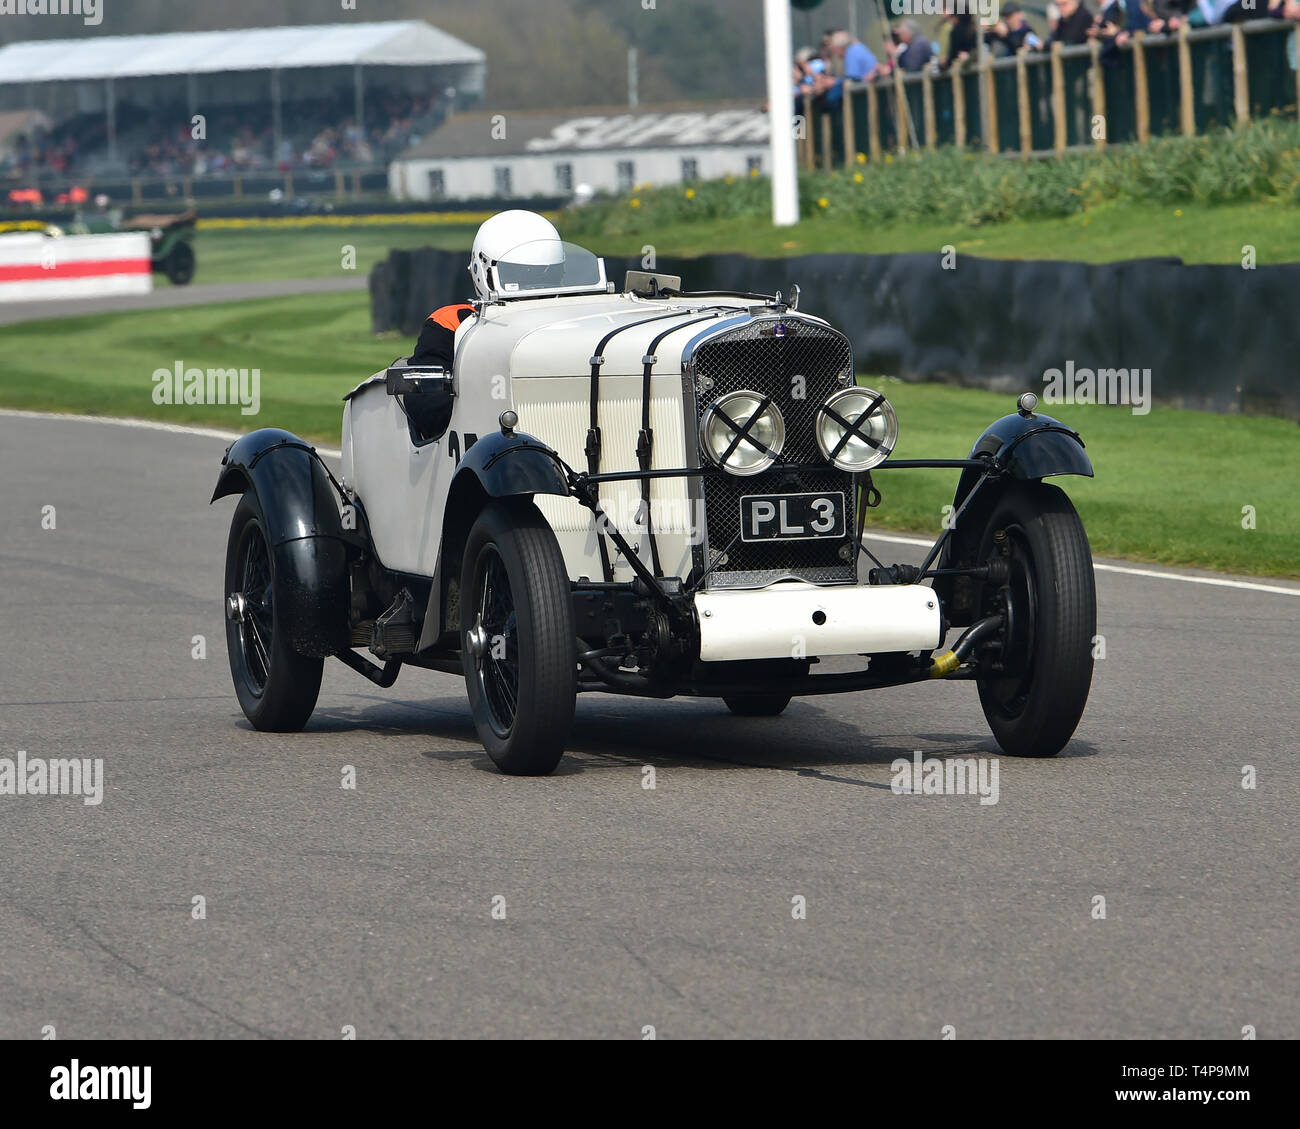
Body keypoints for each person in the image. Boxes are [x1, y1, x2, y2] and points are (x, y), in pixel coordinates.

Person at [409, 210, 567, 369]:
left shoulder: (578, 314)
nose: (533, 289)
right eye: (519, 275)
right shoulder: (453, 324)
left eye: (543, 277)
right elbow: (425, 391)